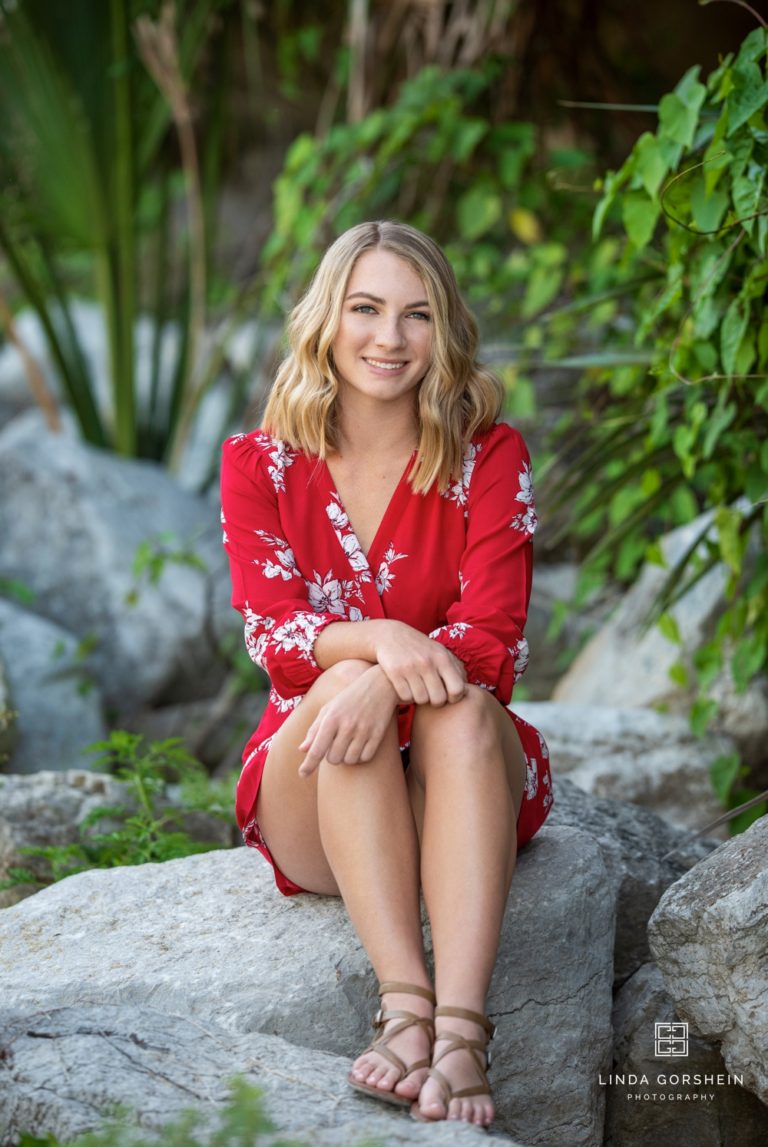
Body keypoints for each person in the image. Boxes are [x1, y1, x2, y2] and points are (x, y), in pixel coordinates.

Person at [220, 220, 553, 1128]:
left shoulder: (490, 454)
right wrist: (376, 642)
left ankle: (459, 1035)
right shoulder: (260, 463)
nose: (389, 339)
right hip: (319, 793)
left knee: (455, 709)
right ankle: (404, 1002)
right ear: (327, 319)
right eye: (365, 309)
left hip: (458, 778)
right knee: (335, 692)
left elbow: (494, 638)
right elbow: (273, 632)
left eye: (416, 316)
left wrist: (382, 674)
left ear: (443, 331)